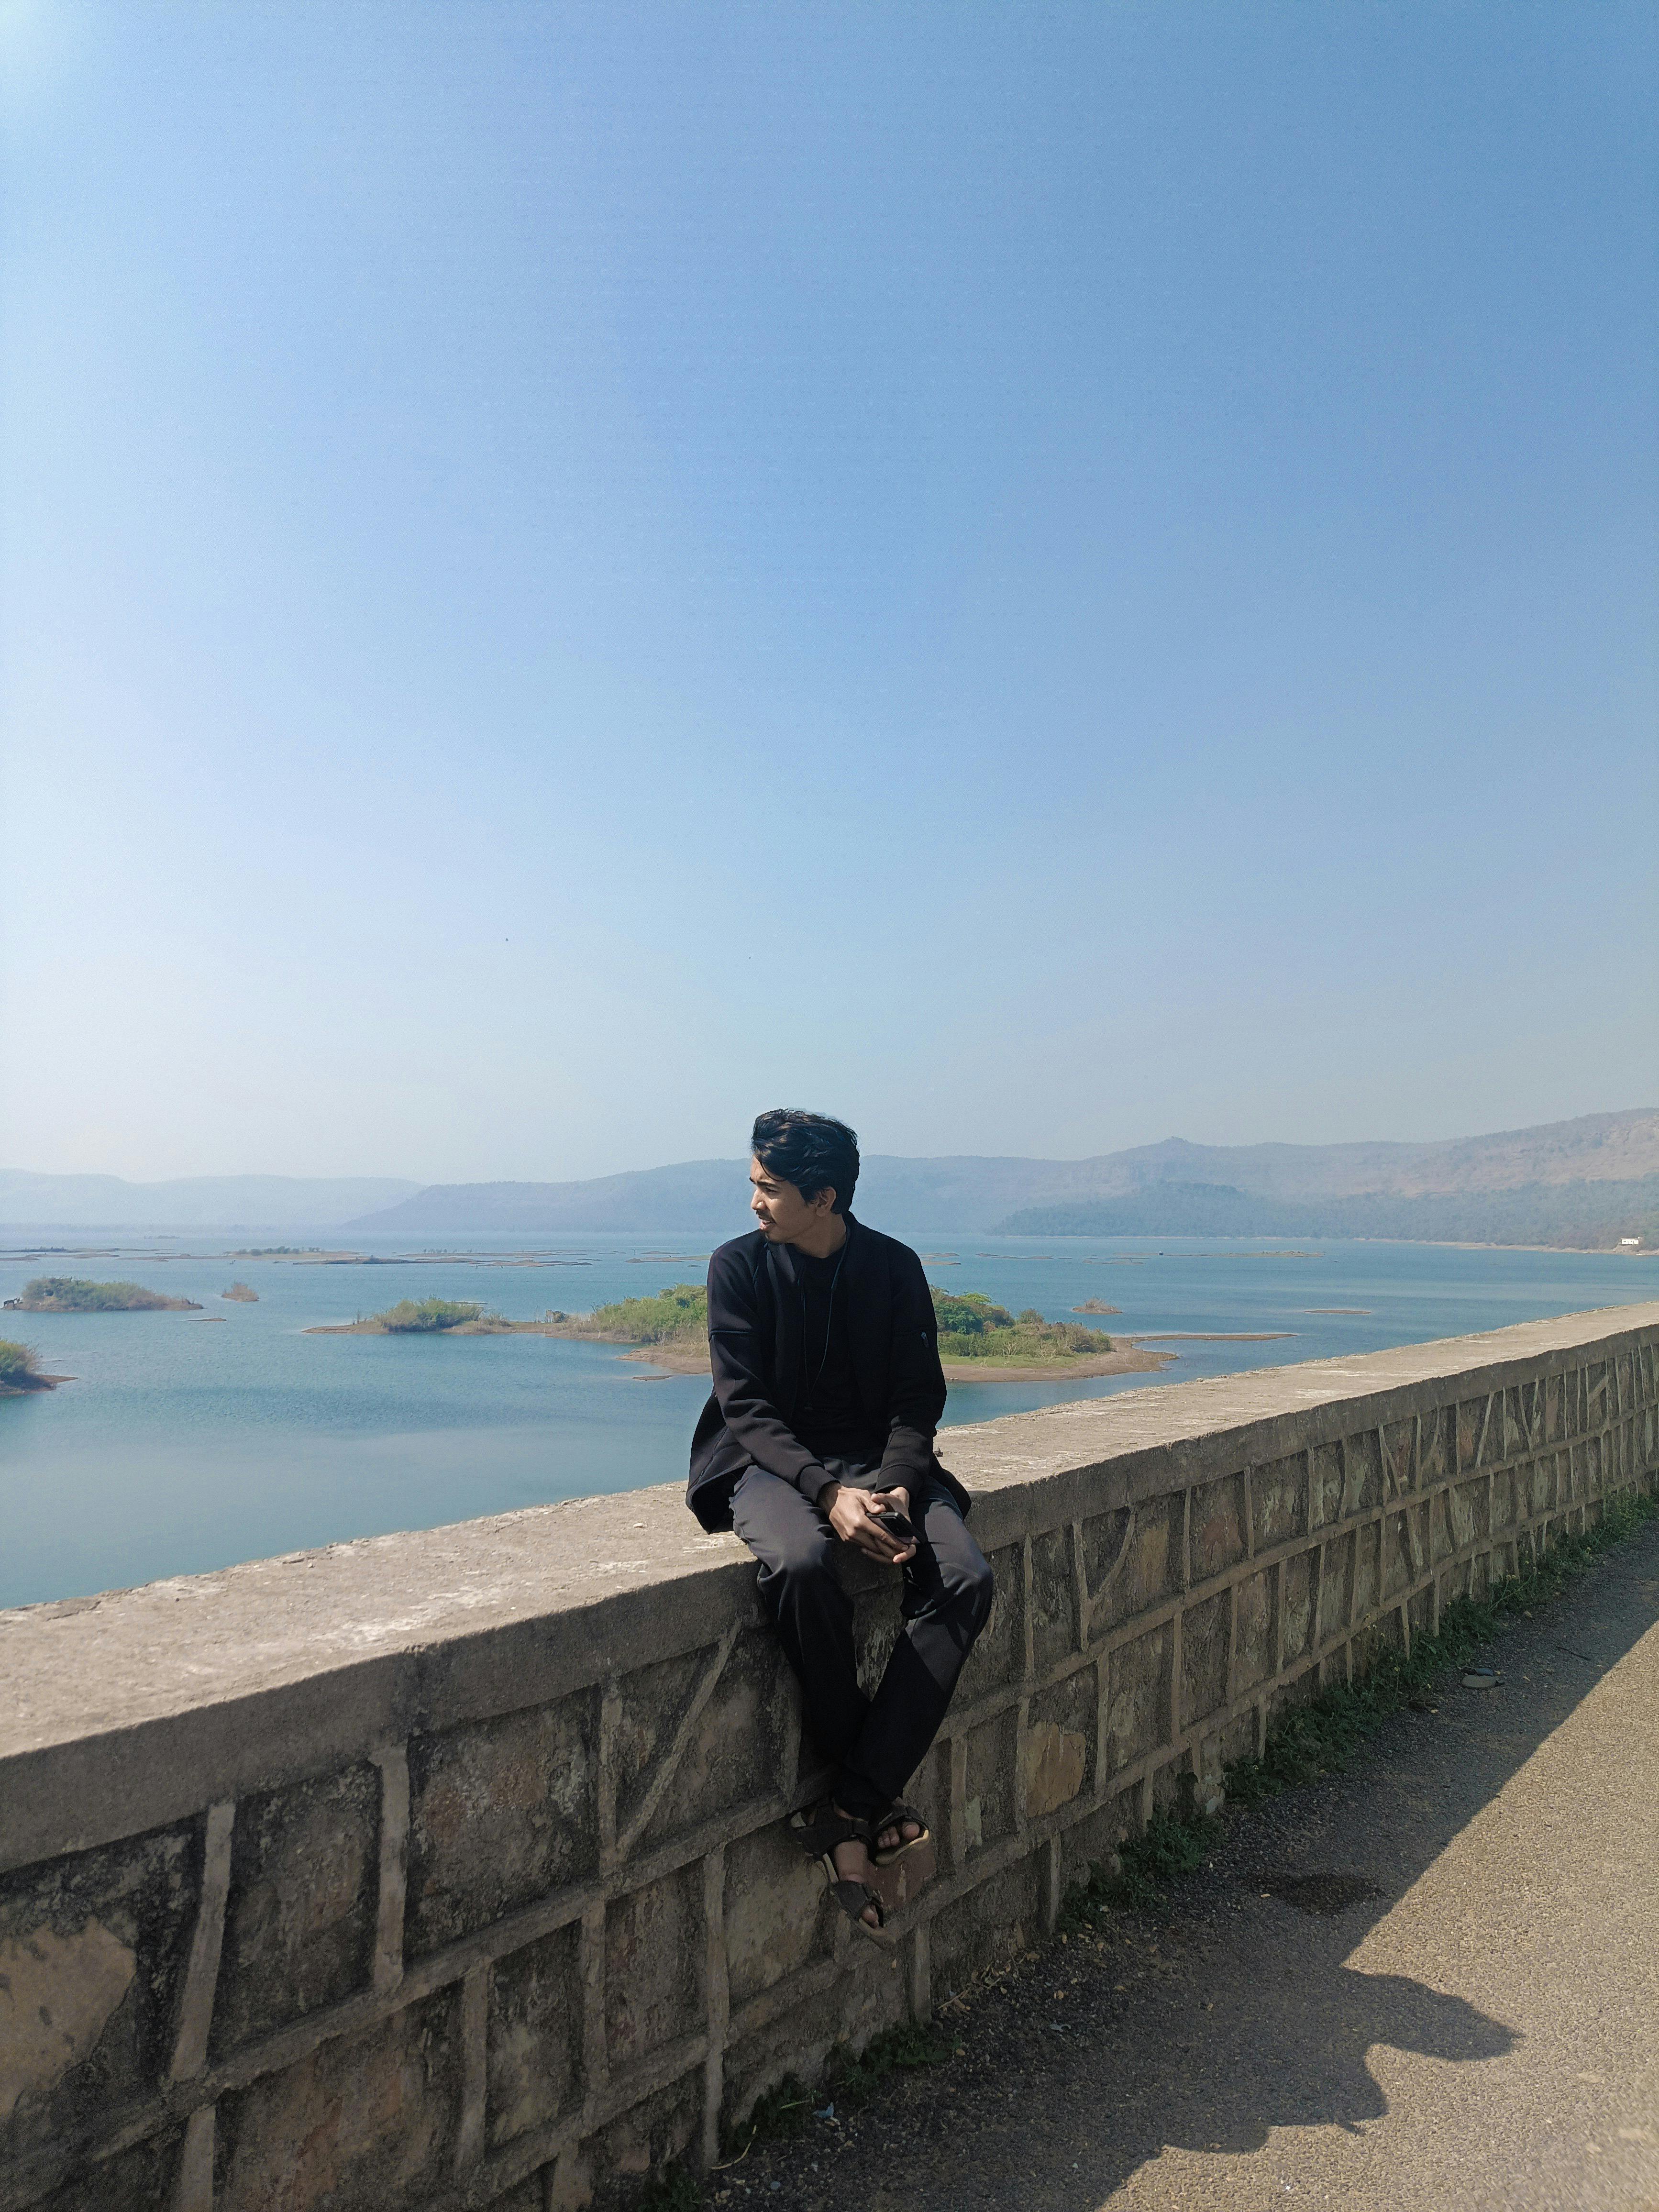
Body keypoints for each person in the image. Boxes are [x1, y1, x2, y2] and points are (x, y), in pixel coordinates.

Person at [687, 1109, 994, 1937]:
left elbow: (917, 1397)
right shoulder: (737, 1266)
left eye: (769, 1188)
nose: (754, 1202)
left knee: (966, 1577)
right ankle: (870, 1801)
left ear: (823, 1198)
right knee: (801, 1565)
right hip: (766, 1464)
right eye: (754, 1183)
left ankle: (850, 1805)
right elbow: (745, 1407)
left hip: (881, 1464)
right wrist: (827, 1494)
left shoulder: (893, 1267)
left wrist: (896, 1485)